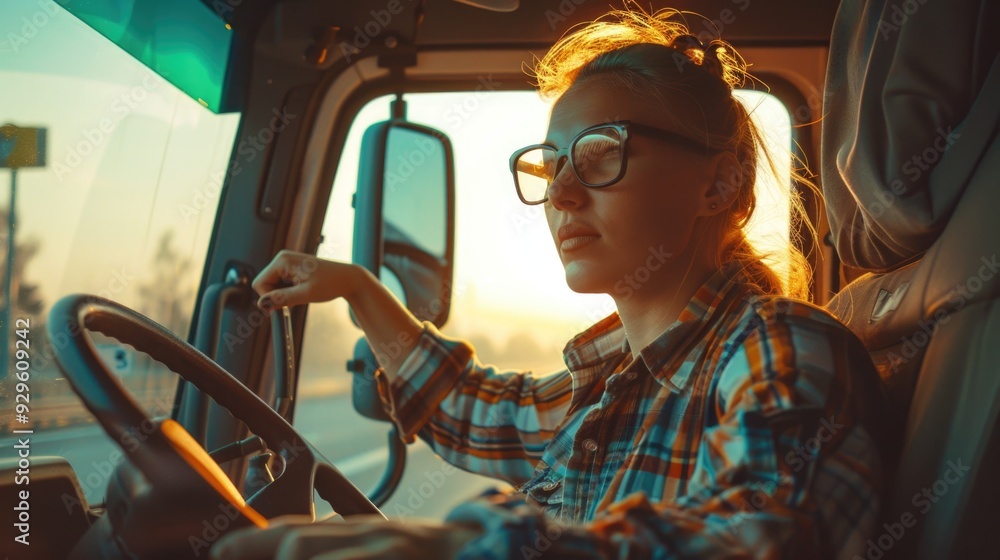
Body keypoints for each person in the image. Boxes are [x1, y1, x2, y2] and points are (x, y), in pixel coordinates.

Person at [213, 5, 885, 559]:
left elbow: (755, 538)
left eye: (599, 155)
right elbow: (486, 413)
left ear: (717, 183)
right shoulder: (617, 382)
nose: (560, 194)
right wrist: (363, 291)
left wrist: (456, 550)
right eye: (550, 166)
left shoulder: (780, 348)